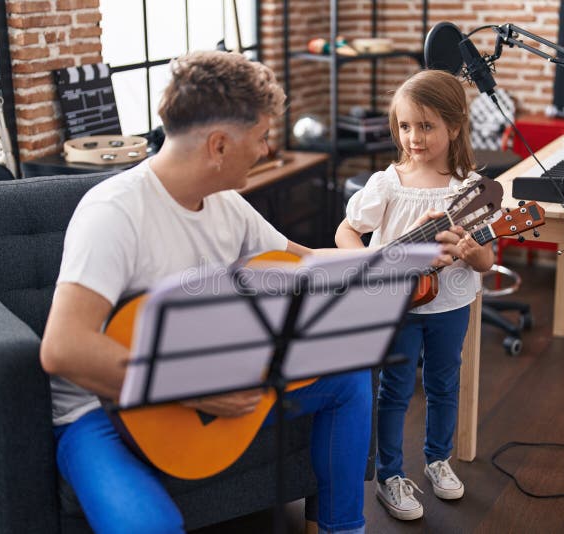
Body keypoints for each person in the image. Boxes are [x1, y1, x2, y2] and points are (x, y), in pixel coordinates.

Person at [40, 51, 376, 534]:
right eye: (261, 137)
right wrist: (193, 386)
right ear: (219, 145)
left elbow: (305, 262)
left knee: (347, 373)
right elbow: (63, 348)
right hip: (98, 413)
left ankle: (342, 528)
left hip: (205, 385)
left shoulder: (225, 204)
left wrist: (397, 258)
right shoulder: (113, 212)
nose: (266, 150)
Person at [335, 69, 494, 521]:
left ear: (454, 127)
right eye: (405, 126)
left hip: (450, 304)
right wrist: (371, 265)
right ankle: (390, 475)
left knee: (444, 384)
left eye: (426, 126)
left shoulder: (469, 189)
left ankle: (438, 460)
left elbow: (485, 260)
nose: (414, 138)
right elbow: (346, 231)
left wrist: (472, 253)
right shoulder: (388, 183)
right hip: (395, 305)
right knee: (395, 389)